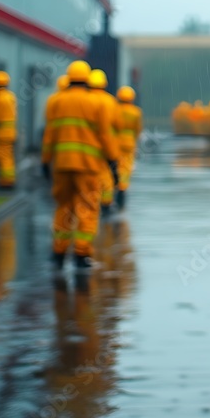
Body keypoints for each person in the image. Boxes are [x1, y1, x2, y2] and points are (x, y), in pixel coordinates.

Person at [42, 60, 119, 270]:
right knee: (86, 207)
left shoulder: (55, 101)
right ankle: (81, 254)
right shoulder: (97, 103)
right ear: (87, 79)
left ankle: (58, 252)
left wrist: (45, 160)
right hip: (87, 165)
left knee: (64, 207)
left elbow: (49, 135)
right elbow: (105, 135)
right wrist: (113, 161)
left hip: (62, 165)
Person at [89, 69, 122, 216]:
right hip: (106, 144)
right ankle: (106, 203)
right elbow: (118, 124)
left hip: (87, 144)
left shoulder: (86, 98)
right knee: (105, 174)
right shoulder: (110, 101)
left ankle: (90, 201)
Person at [0, 71, 17, 189]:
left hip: (2, 132)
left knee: (3, 156)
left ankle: (6, 181)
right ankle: (8, 179)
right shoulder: (10, 96)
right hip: (11, 131)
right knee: (8, 156)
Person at [116, 86, 143, 209]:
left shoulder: (115, 109)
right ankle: (122, 189)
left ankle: (113, 186)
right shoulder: (136, 112)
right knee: (126, 168)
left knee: (114, 166)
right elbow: (137, 130)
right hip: (129, 143)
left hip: (116, 142)